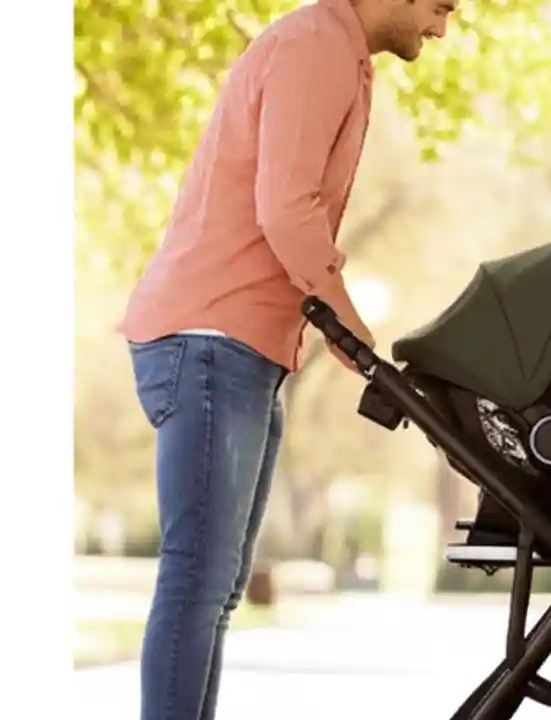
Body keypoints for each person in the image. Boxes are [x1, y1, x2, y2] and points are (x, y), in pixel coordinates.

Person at [118, 1, 460, 718]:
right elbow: (286, 208)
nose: (441, 29)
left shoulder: (341, 54)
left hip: (243, 348)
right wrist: (349, 329)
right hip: (210, 339)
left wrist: (333, 331)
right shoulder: (317, 46)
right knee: (196, 584)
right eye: (440, 7)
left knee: (215, 589)